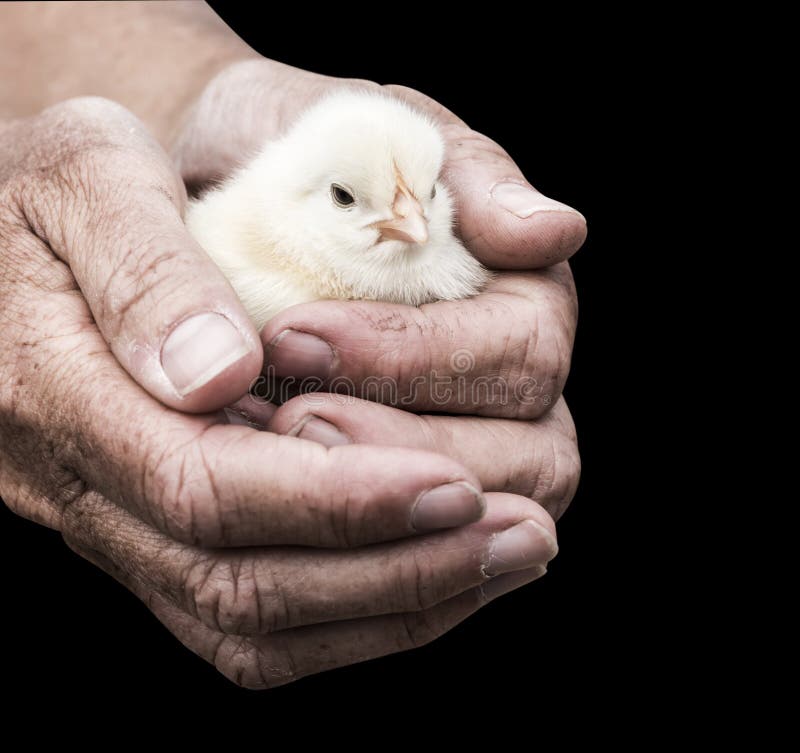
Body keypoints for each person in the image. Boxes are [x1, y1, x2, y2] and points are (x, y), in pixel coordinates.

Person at [0, 2, 584, 688]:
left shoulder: (421, 230)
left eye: (424, 194)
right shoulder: (252, 243)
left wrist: (196, 86)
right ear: (312, 193)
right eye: (348, 198)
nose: (413, 220)